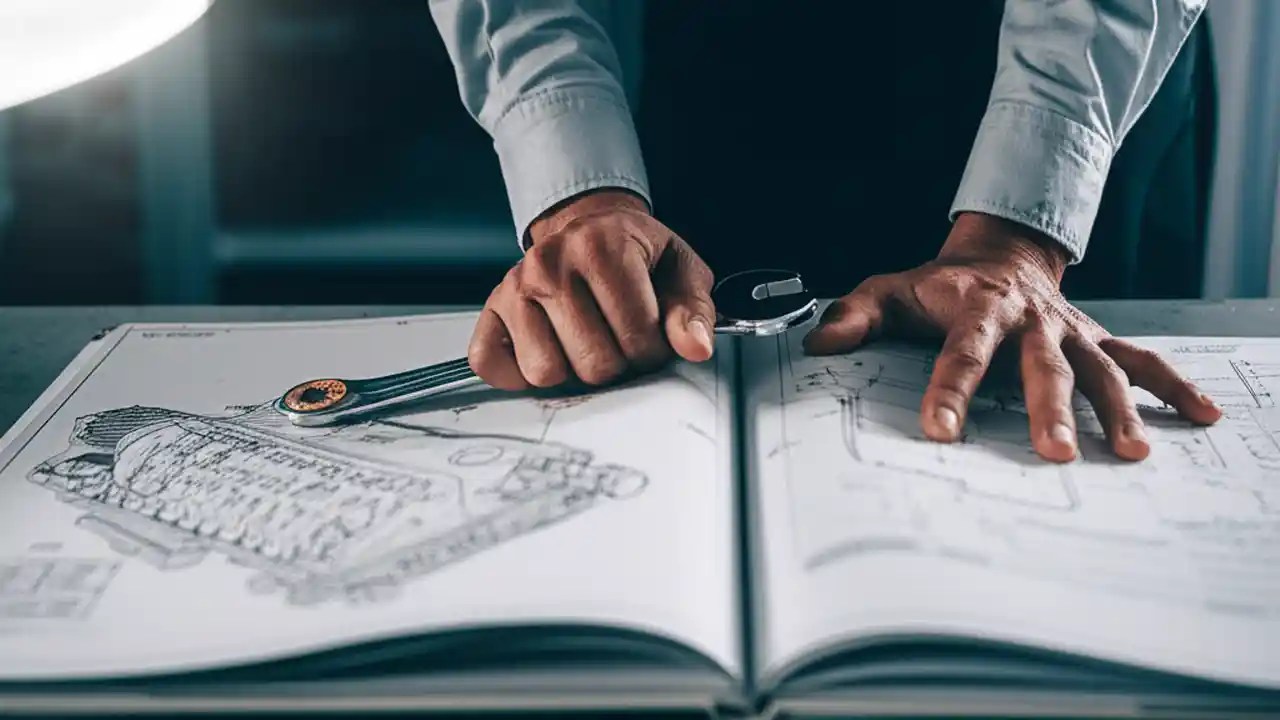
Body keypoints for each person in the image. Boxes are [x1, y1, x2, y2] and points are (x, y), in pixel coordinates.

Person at [427, 0, 1223, 463]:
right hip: (735, 58)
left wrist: (1022, 237)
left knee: (1044, 413)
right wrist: (581, 199)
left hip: (1088, 72)